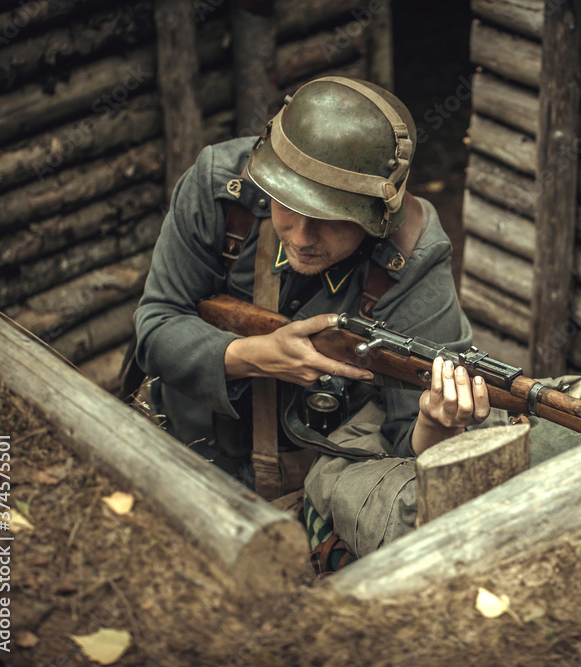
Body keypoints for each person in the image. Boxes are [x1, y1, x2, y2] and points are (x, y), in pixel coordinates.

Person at [133, 76, 490, 565]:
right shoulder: (222, 190)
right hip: (183, 452)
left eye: (330, 217)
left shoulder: (415, 258)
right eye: (287, 204)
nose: (300, 236)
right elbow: (154, 326)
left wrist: (436, 421)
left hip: (312, 497)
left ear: (377, 216)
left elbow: (411, 447)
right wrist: (256, 356)